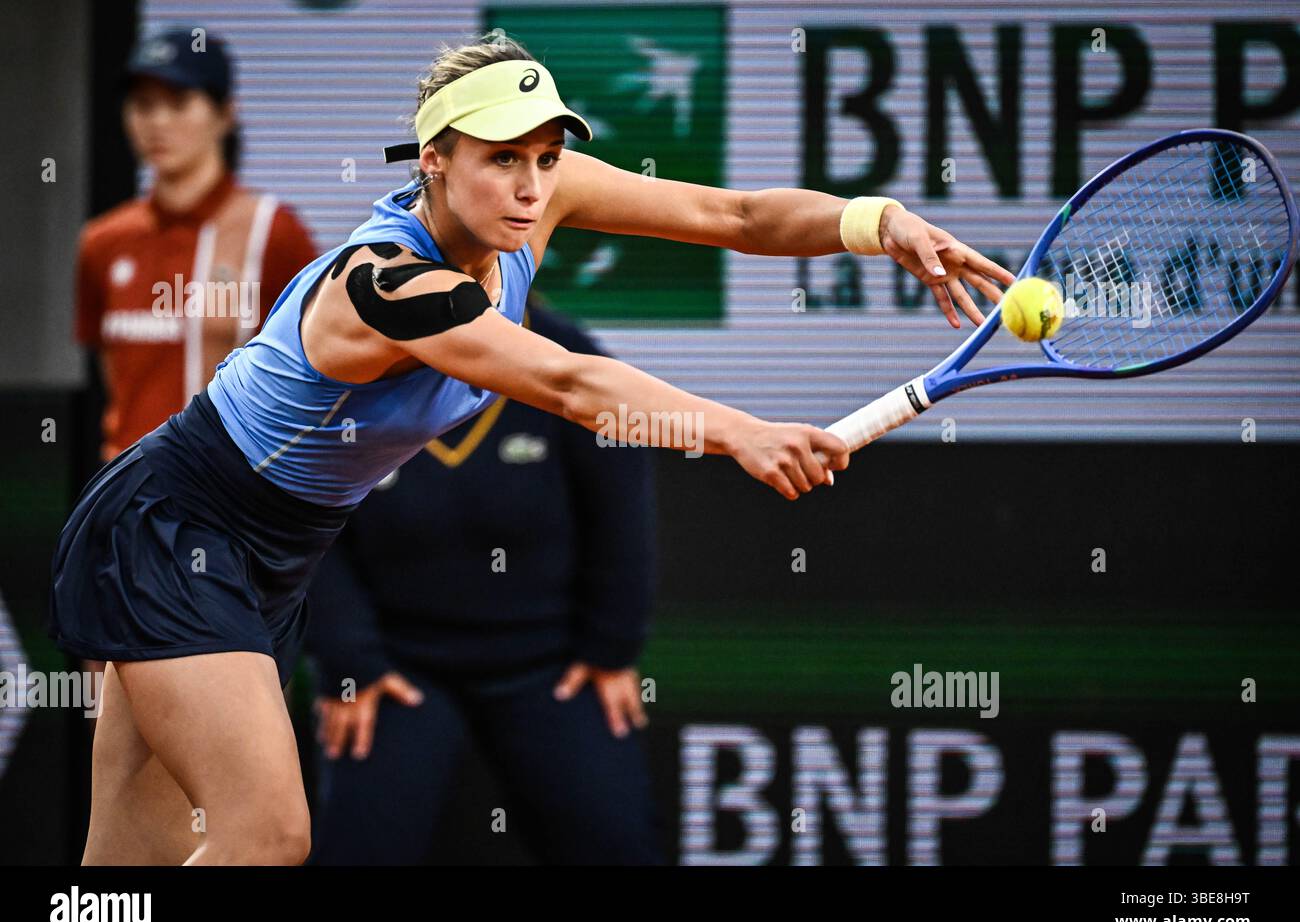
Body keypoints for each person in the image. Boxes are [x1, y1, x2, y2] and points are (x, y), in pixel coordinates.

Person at [48, 32, 1015, 865]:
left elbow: (735, 216)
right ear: (433, 158)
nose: (529, 185)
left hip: (270, 554)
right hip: (178, 528)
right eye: (500, 158)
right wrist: (744, 433)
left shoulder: (537, 200)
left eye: (546, 158)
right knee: (266, 835)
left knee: (128, 864)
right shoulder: (383, 285)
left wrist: (878, 222)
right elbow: (570, 384)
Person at [306, 294, 661, 865]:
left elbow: (621, 517)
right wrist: (349, 662)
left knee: (620, 846)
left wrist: (611, 649)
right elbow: (310, 526)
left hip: (552, 665)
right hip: (397, 670)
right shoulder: (345, 366)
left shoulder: (573, 361)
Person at [76, 27, 317, 462]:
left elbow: (314, 369)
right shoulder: (102, 241)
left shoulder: (273, 233)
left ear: (225, 114)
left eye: (179, 102)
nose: (158, 122)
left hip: (233, 497)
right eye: (144, 105)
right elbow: (114, 379)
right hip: (124, 492)